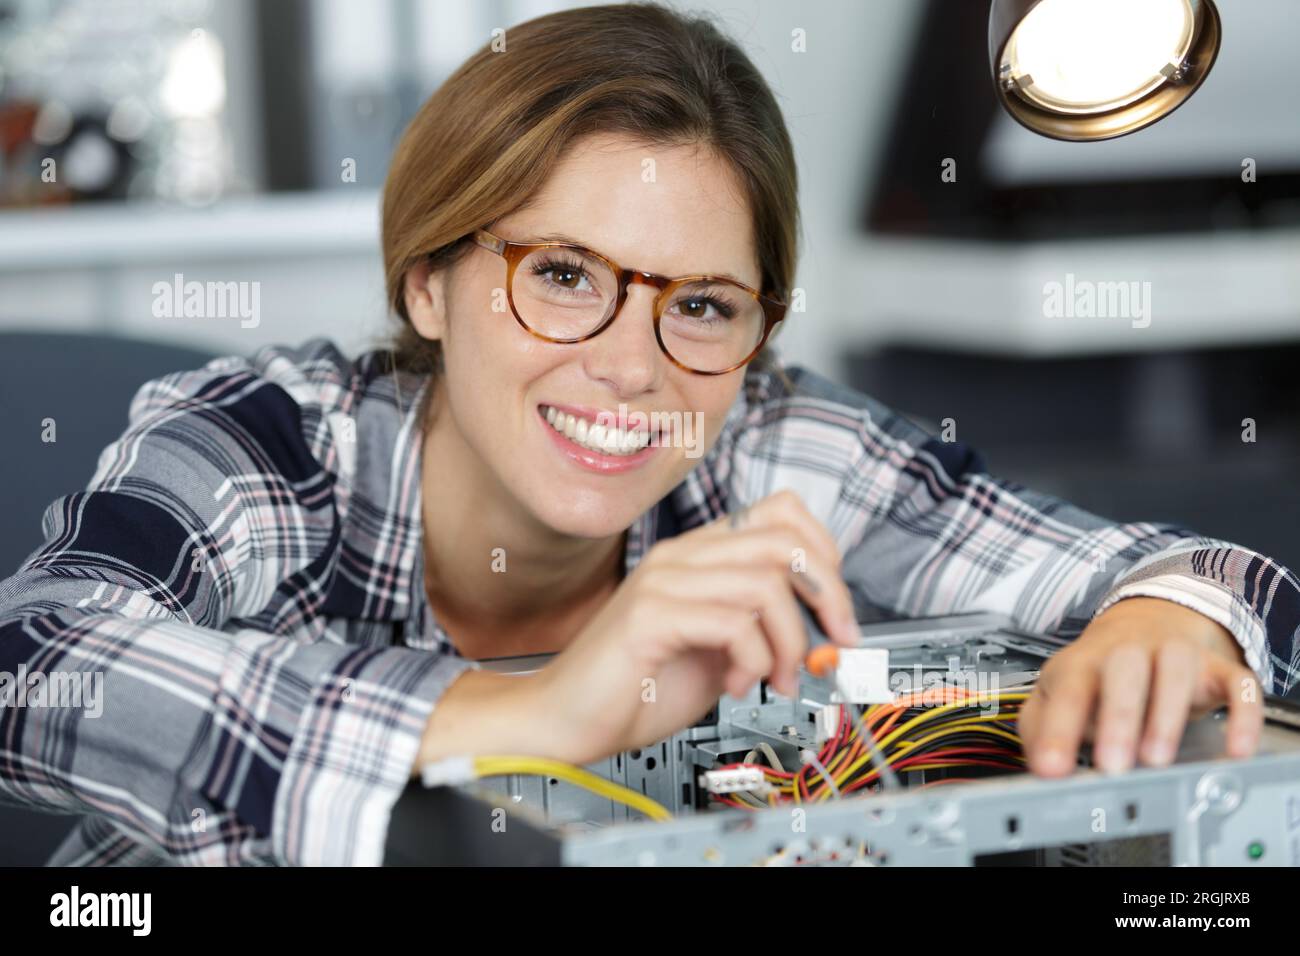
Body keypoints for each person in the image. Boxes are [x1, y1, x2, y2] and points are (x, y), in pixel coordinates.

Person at [0, 2, 1294, 867]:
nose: (632, 363)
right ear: (428, 281)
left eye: (705, 305)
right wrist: (537, 709)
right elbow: (34, 661)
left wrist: (1166, 617)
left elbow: (1179, 574)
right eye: (564, 274)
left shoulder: (764, 433)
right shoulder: (266, 441)